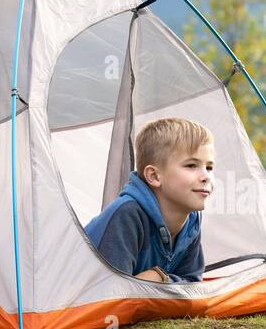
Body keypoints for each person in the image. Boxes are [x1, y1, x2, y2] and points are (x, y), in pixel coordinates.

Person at [84, 116, 214, 282]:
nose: (206, 176)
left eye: (209, 167)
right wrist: (156, 287)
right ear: (154, 176)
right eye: (191, 165)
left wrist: (162, 280)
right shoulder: (127, 216)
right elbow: (109, 297)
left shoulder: (191, 222)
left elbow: (192, 286)